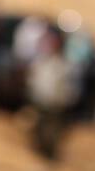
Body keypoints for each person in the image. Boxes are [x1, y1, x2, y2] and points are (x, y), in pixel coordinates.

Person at [27, 28, 81, 160]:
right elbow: (34, 81)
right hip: (41, 102)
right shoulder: (42, 61)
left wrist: (66, 101)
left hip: (57, 105)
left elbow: (71, 88)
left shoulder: (66, 65)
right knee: (38, 131)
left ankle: (49, 156)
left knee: (52, 132)